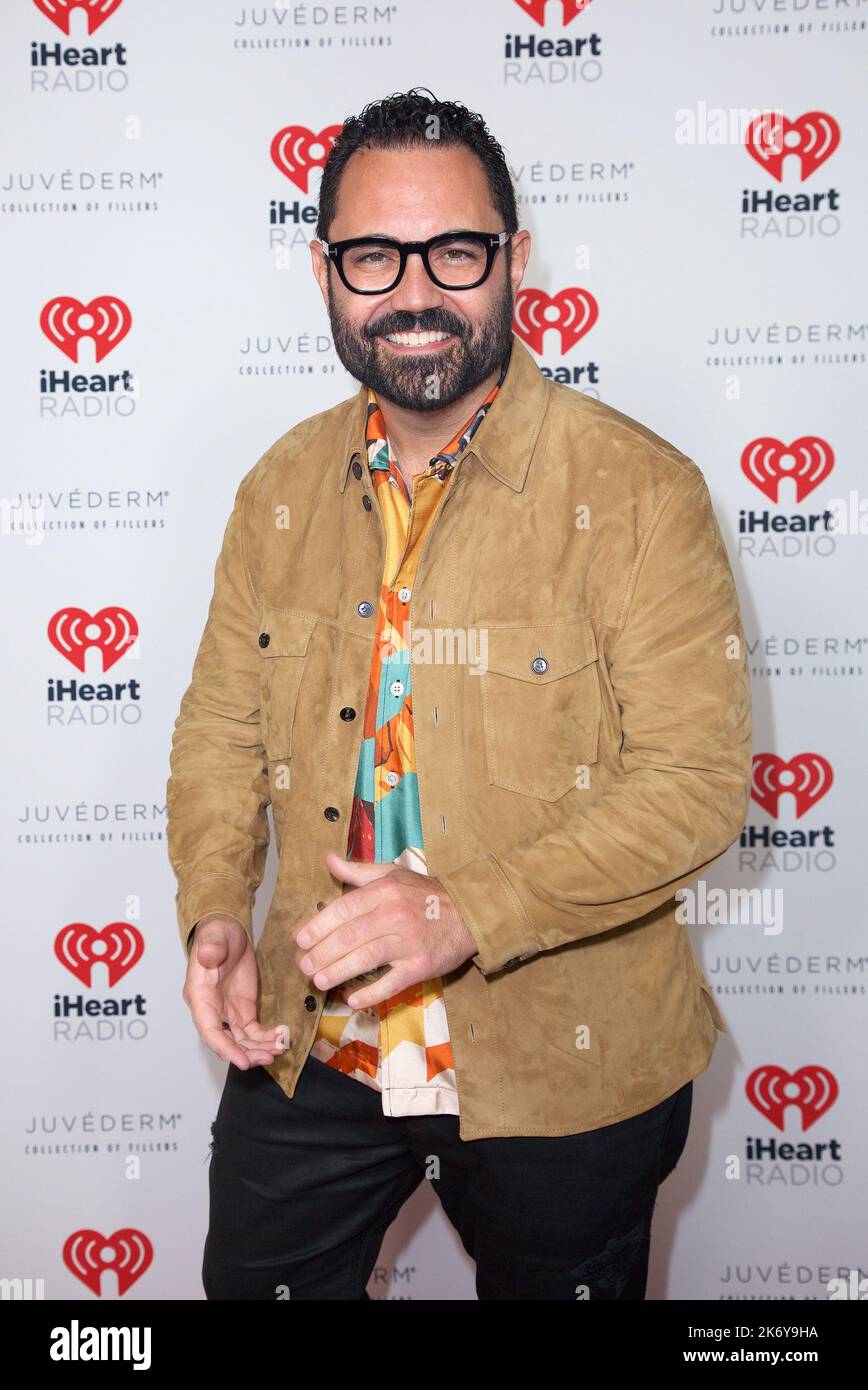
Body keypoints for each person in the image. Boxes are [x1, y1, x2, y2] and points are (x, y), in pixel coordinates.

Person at [166, 88, 752, 1301]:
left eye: (457, 251)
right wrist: (216, 905)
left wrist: (466, 909)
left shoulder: (642, 493)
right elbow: (222, 724)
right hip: (313, 1041)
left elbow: (695, 786)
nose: (416, 293)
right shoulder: (277, 483)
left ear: (515, 260)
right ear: (325, 269)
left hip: (565, 1067)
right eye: (375, 255)